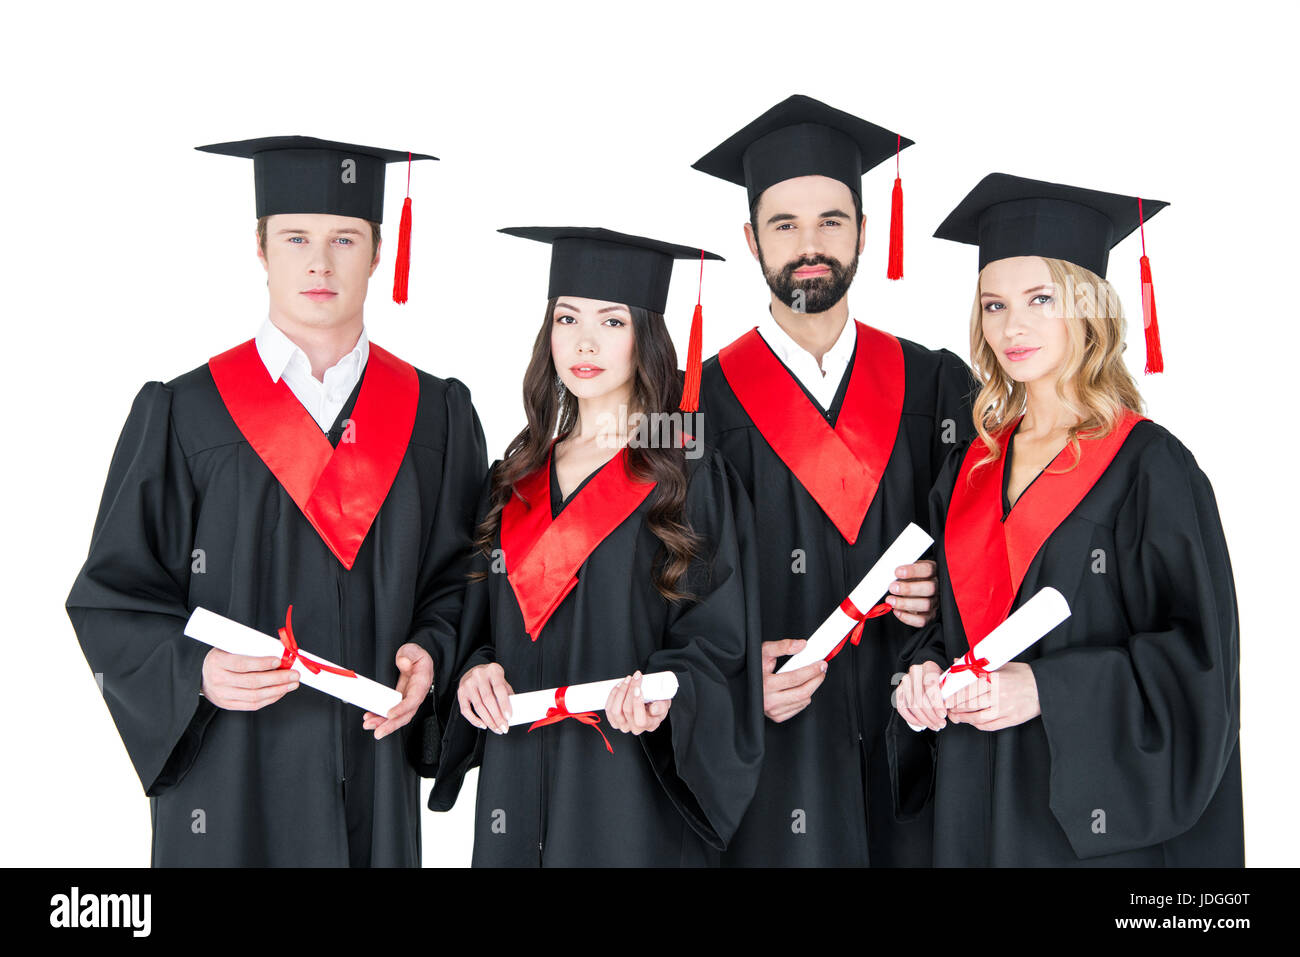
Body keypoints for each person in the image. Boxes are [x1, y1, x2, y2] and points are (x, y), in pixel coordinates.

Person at [65, 136, 488, 866]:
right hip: (228, 783)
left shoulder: (436, 416)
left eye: (343, 238)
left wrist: (432, 651)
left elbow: (463, 579)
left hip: (370, 776)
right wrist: (193, 667)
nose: (319, 262)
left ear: (378, 251)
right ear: (260, 249)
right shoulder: (183, 413)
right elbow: (113, 597)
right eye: (296, 237)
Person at [893, 172, 1243, 865]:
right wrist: (922, 677)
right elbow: (939, 627)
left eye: (1040, 299)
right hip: (970, 810)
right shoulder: (967, 470)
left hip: (1081, 830)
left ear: (1089, 308)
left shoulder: (1151, 468)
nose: (1012, 327)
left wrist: (1047, 689)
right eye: (994, 305)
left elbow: (1200, 667)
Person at [691, 94, 979, 866]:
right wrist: (722, 676)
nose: (809, 244)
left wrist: (944, 587)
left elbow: (1002, 539)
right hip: (776, 756)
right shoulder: (696, 406)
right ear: (751, 240)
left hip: (915, 732)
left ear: (863, 228)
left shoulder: (939, 385)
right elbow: (656, 587)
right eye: (784, 225)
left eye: (831, 220)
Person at [428, 226, 765, 866]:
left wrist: (670, 691)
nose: (584, 341)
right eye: (567, 318)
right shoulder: (514, 478)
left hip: (630, 790)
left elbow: (720, 642)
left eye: (612, 322)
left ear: (647, 338)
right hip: (516, 775)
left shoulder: (688, 473)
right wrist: (474, 672)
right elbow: (474, 623)